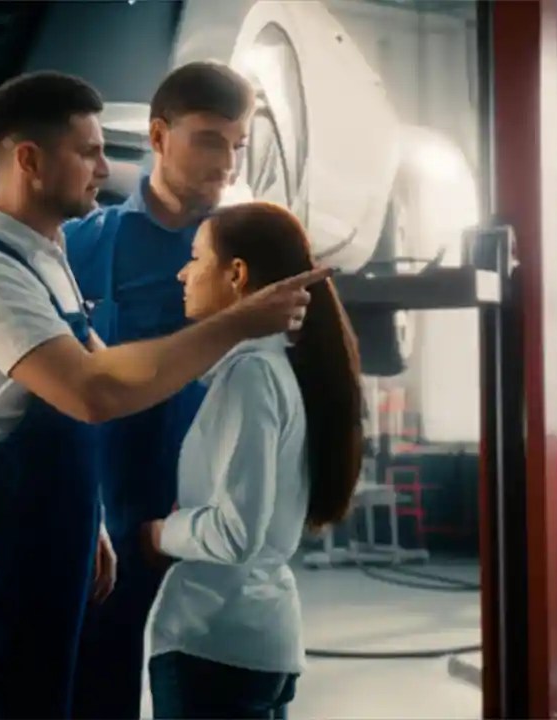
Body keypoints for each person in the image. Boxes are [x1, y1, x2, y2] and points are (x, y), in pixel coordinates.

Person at [0, 71, 327, 720]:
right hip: (51, 520)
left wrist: (88, 522)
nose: (104, 166)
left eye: (238, 146)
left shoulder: (50, 252)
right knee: (56, 694)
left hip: (168, 521)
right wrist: (239, 321)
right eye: (88, 152)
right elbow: (89, 387)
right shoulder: (15, 261)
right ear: (161, 138)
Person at [63, 60, 256, 719]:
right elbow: (49, 396)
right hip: (115, 520)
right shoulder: (81, 248)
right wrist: (82, 515)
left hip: (214, 527)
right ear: (157, 136)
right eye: (209, 139)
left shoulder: (249, 255)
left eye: (238, 145)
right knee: (99, 693)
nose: (225, 162)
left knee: (216, 698)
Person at [140, 201, 365, 719]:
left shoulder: (251, 377)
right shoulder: (278, 369)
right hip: (260, 645)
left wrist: (161, 533)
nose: (183, 272)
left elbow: (235, 534)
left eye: (196, 258)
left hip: (214, 648)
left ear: (236, 274)